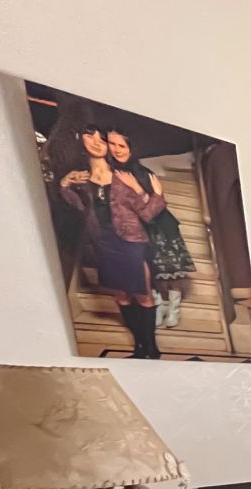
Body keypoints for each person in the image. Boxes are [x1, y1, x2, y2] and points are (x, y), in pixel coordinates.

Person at [58, 123, 165, 358]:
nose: (97, 143)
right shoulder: (81, 178)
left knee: (142, 295)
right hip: (103, 244)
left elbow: (147, 213)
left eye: (102, 139)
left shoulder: (123, 177)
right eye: (90, 137)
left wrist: (157, 196)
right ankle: (139, 348)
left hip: (131, 242)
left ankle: (152, 349)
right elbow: (79, 207)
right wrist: (64, 185)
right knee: (121, 296)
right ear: (81, 142)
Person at [107, 127, 196, 330]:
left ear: (131, 148)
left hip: (161, 227)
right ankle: (159, 306)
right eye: (112, 144)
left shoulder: (142, 172)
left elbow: (155, 206)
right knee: (152, 271)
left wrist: (137, 188)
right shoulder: (109, 173)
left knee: (171, 270)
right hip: (139, 231)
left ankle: (173, 309)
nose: (117, 149)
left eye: (121, 145)